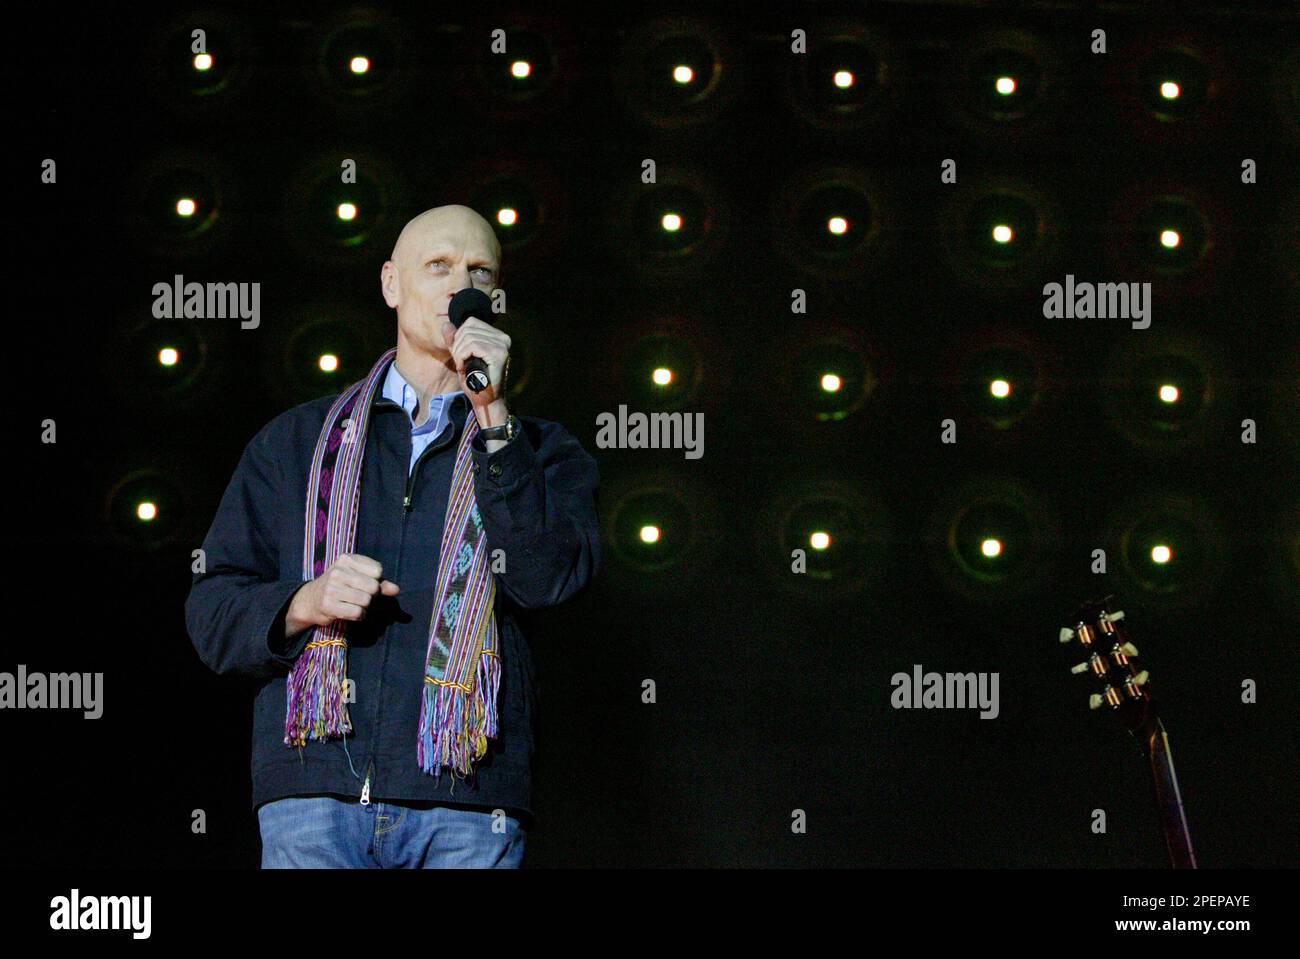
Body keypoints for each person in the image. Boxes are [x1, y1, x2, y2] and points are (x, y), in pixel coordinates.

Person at [184, 204, 601, 868]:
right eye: (437, 266)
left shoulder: (543, 451)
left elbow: (546, 578)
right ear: (390, 284)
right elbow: (211, 611)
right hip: (313, 793)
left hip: (469, 799)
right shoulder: (295, 443)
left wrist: (493, 414)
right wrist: (302, 603)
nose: (457, 286)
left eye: (477, 271)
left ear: (493, 299)